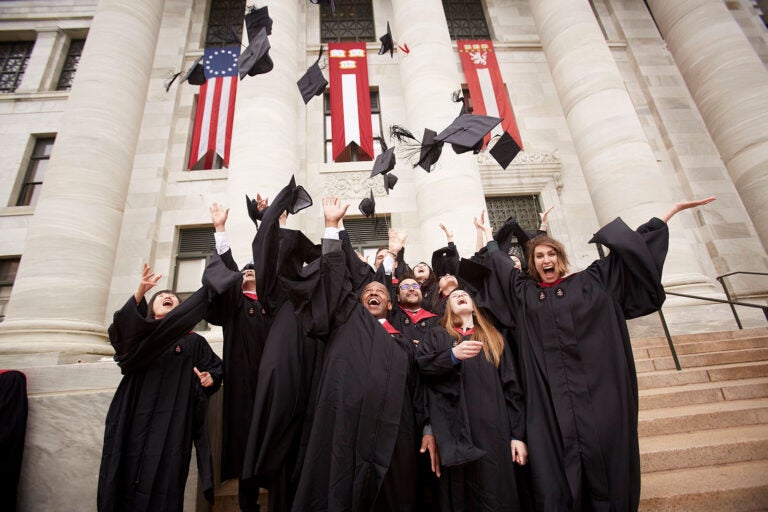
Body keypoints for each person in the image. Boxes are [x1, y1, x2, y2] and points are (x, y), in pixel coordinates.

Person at [472, 197, 716, 511]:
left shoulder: (593, 281)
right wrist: (489, 240)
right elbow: (502, 272)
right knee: (555, 466)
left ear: (560, 259)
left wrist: (667, 214)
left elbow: (631, 251)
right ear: (532, 264)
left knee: (606, 460)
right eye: (539, 256)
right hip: (549, 402)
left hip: (598, 397)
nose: (545, 260)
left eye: (550, 254)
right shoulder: (524, 294)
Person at [288, 197, 432, 512]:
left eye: (380, 291)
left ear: (392, 305)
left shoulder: (404, 342)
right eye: (367, 292)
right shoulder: (345, 322)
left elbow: (420, 391)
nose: (373, 295)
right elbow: (333, 278)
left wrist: (428, 428)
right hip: (345, 427)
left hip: (396, 431)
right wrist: (331, 226)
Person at [98, 263, 226, 512]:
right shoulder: (141, 336)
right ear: (149, 308)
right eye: (160, 296)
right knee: (124, 466)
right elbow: (121, 334)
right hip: (134, 411)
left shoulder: (193, 342)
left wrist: (211, 378)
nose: (167, 296)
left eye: (173, 298)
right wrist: (140, 292)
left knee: (166, 474)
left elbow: (215, 369)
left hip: (173, 417)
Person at [417, 288, 527, 511]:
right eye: (454, 296)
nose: (460, 296)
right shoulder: (438, 335)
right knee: (458, 494)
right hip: (452, 430)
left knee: (495, 491)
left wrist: (517, 435)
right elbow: (423, 368)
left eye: (464, 294)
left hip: (493, 429)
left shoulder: (492, 336)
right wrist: (452, 356)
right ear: (447, 308)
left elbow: (511, 386)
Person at [205, 202, 272, 512]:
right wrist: (220, 230)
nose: (247, 272)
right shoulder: (234, 306)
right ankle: (248, 505)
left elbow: (276, 260)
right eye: (244, 270)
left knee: (276, 439)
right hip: (243, 384)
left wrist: (273, 218)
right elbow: (225, 272)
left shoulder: (276, 307)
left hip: (273, 383)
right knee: (245, 444)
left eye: (252, 269)